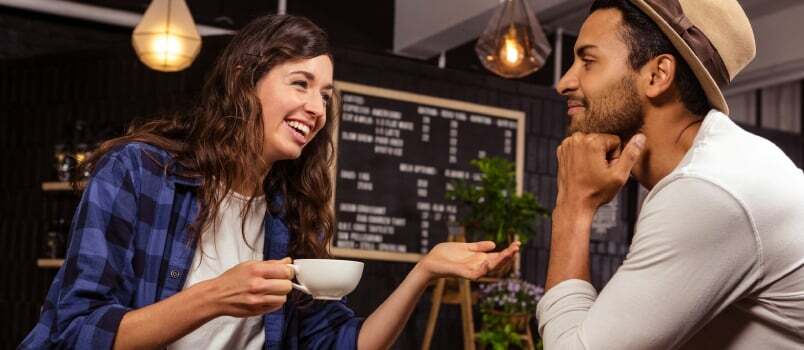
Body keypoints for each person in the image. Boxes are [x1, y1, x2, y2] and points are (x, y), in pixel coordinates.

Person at [20, 14, 519, 350]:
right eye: (300, 84)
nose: (317, 108)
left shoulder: (289, 207)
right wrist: (214, 297)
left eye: (325, 94)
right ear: (244, 79)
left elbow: (345, 343)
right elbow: (77, 330)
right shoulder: (138, 171)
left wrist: (423, 272)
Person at [537, 0, 804, 348]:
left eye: (588, 61)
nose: (564, 82)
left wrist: (573, 207)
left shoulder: (707, 190)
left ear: (657, 75)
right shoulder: (722, 165)